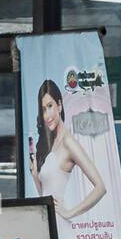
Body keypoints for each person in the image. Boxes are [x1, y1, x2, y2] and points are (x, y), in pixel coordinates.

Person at [30, 79, 108, 225]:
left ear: (59, 106)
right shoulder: (49, 144)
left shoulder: (68, 142)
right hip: (47, 221)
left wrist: (70, 212)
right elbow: (45, 196)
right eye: (43, 110)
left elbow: (101, 188)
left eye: (50, 106)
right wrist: (35, 175)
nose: (47, 115)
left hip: (60, 225)